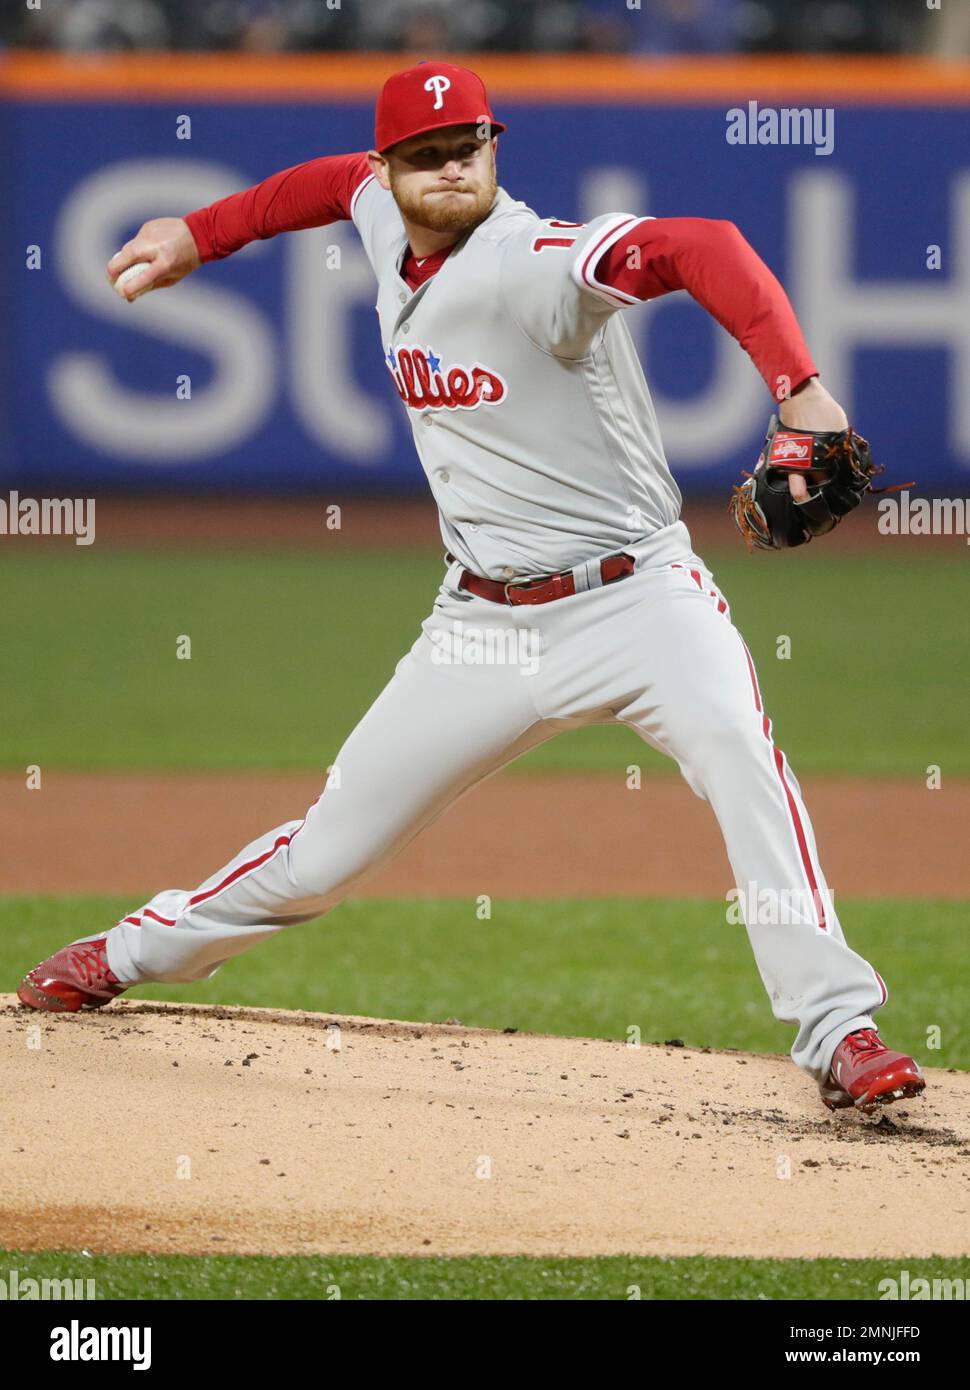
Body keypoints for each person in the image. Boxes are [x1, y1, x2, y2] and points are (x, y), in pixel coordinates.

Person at [18, 61, 925, 1114]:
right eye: (426, 154)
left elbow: (703, 244)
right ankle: (127, 953)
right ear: (392, 167)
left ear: (495, 147)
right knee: (326, 850)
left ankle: (838, 1029)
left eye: (470, 146)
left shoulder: (533, 261)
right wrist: (200, 233)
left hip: (641, 602)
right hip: (481, 623)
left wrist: (799, 391)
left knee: (742, 762)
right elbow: (315, 186)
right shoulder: (375, 207)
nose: (452, 167)